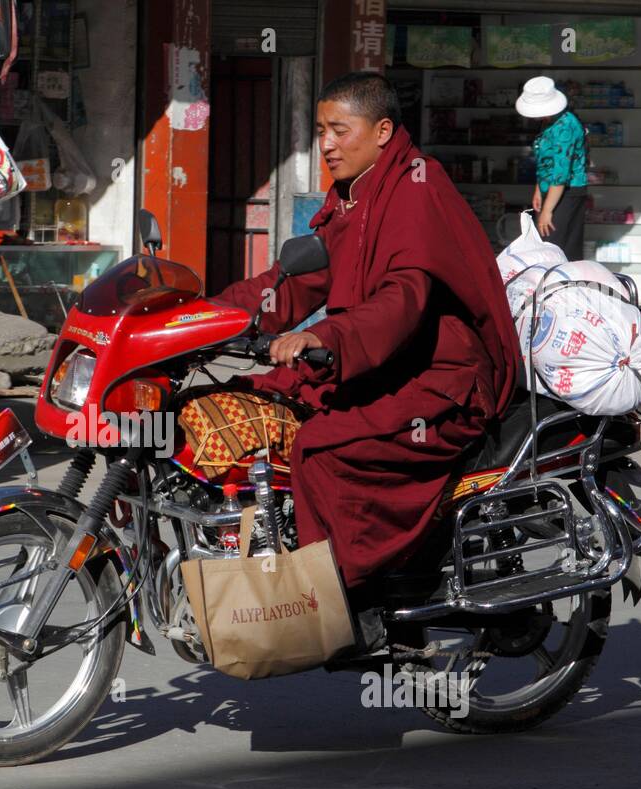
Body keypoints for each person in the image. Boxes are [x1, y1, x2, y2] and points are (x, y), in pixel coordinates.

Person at [212, 72, 524, 641]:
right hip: (384, 364)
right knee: (259, 403)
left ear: (383, 131)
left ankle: (357, 600)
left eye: (339, 129)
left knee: (322, 449)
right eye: (321, 131)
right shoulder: (354, 196)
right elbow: (297, 284)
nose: (326, 144)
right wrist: (205, 317)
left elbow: (403, 298)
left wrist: (327, 339)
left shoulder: (416, 190)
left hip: (443, 379)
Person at [517, 75, 588, 260]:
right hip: (553, 190)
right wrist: (539, 189)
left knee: (555, 247)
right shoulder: (548, 121)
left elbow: (560, 175)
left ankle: (564, 285)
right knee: (547, 245)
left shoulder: (565, 127)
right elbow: (545, 160)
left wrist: (547, 211)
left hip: (567, 191)